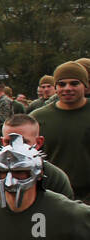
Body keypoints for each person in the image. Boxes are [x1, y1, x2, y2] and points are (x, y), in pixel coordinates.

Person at [31, 61, 90, 199]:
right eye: (62, 84)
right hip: (52, 194)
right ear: (56, 87)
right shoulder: (38, 118)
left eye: (74, 83)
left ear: (85, 86)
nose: (67, 88)